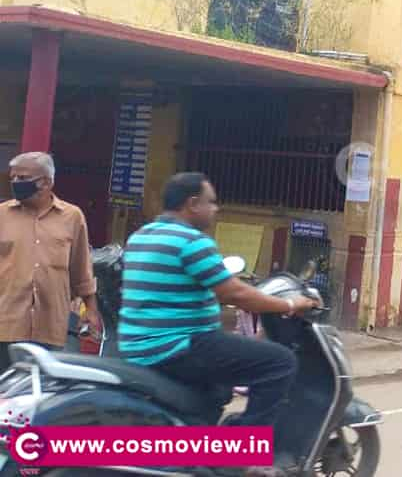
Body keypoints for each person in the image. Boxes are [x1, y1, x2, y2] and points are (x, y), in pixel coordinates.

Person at [119, 173, 320, 475]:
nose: (216, 210)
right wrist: (291, 305)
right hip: (178, 344)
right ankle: (246, 457)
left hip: (139, 344)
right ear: (192, 204)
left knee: (222, 382)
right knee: (279, 362)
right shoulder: (192, 241)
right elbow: (235, 293)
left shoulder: (142, 235)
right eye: (211, 203)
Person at [0, 152, 102, 370]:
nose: (16, 183)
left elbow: (81, 269)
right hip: (5, 322)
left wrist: (91, 311)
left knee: (41, 394)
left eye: (22, 178)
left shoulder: (72, 217)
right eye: (13, 178)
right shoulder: (2, 215)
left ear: (46, 182)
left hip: (49, 325)